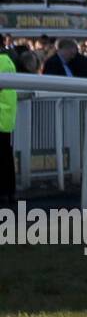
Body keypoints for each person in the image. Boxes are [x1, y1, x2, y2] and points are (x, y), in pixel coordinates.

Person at [0, 47, 17, 207]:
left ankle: (6, 193)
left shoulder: (2, 61)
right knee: (6, 156)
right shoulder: (7, 61)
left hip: (1, 116)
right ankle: (8, 192)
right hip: (6, 117)